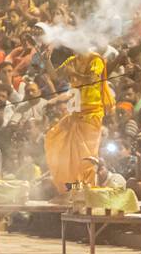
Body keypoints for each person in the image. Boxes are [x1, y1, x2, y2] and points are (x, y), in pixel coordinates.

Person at [44, 51, 114, 192]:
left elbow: (92, 79)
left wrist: (74, 74)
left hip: (91, 115)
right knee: (53, 137)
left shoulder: (95, 59)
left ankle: (86, 189)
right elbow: (56, 76)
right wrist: (47, 60)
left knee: (85, 157)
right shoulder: (72, 60)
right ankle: (69, 188)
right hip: (75, 114)